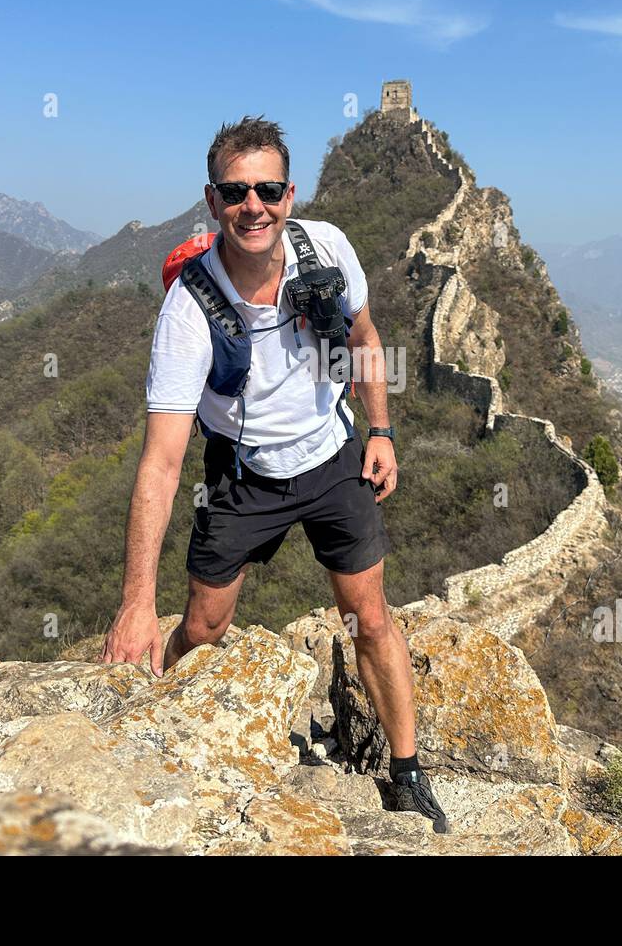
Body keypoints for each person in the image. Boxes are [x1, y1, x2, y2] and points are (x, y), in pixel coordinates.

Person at [100, 115, 449, 833]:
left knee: (371, 615)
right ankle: (154, 692)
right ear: (212, 200)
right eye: (235, 191)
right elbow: (161, 465)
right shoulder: (189, 311)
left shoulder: (326, 248)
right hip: (243, 474)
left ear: (288, 194)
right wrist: (137, 598)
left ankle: (409, 773)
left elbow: (364, 336)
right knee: (203, 621)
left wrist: (380, 429)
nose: (251, 205)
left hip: (331, 458)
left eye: (266, 189)